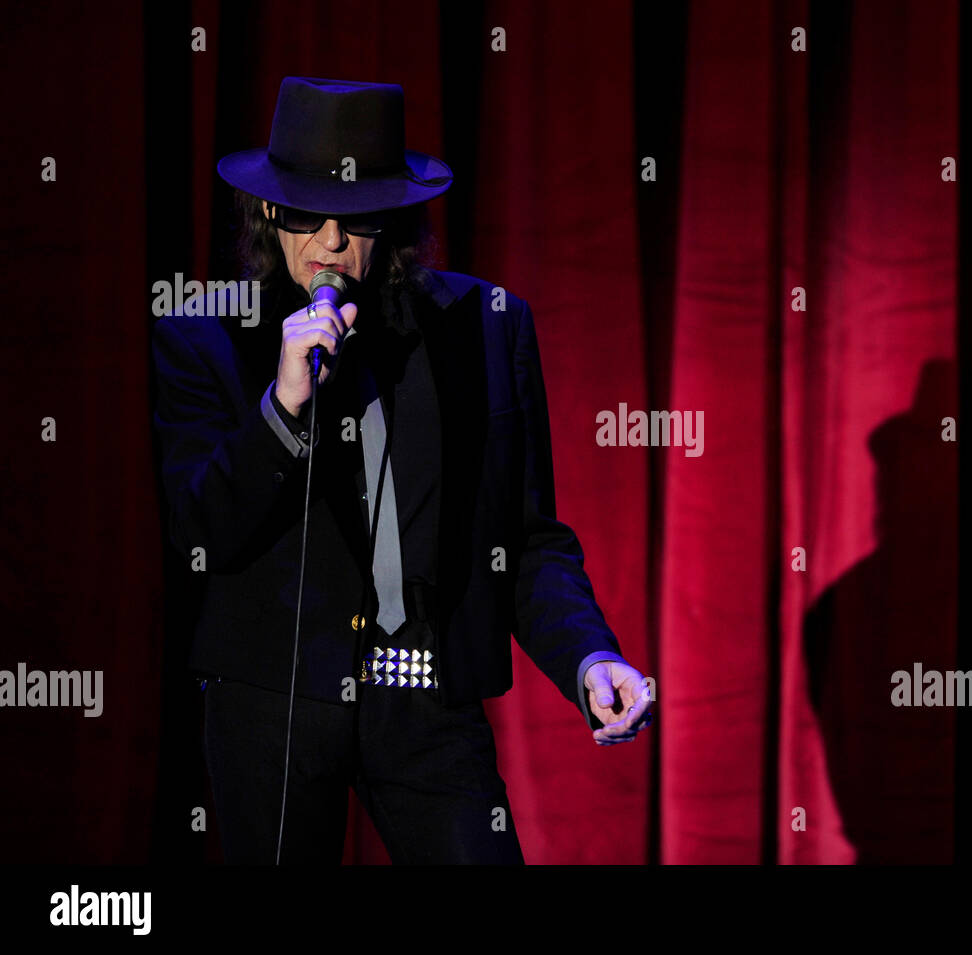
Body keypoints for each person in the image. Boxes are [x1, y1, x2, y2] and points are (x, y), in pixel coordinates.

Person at [151, 76, 652, 864]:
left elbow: (527, 538)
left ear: (394, 220)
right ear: (266, 215)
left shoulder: (486, 327)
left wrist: (591, 655)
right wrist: (281, 408)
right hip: (272, 706)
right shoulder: (204, 335)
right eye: (305, 217)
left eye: (353, 222)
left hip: (425, 698)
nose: (328, 243)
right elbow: (197, 530)